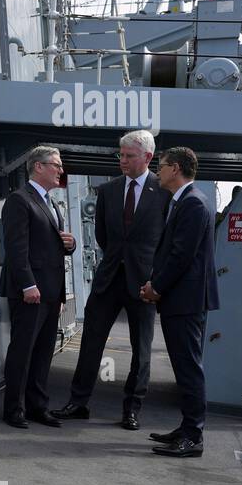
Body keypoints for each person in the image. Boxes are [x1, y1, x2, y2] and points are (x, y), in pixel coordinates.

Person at [53, 130, 168, 430]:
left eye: (129, 156)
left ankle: (131, 409)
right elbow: (102, 236)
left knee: (141, 352)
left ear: (147, 157)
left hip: (144, 284)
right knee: (91, 343)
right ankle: (78, 402)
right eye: (121, 155)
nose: (123, 161)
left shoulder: (164, 193)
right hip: (108, 280)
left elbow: (167, 242)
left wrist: (155, 278)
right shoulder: (108, 191)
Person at [139, 147, 219, 457]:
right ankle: (186, 428)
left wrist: (156, 287)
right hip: (180, 299)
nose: (158, 171)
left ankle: (194, 437)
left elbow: (181, 255)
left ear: (175, 169)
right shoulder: (186, 202)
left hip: (185, 300)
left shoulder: (193, 204)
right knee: (184, 366)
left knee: (189, 368)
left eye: (161, 166)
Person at [0, 146, 77, 429]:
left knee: (44, 352)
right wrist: (28, 285)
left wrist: (71, 244)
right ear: (38, 167)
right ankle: (14, 409)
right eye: (56, 165)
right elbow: (17, 249)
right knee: (23, 350)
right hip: (30, 292)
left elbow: (51, 246)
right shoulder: (19, 200)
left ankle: (37, 407)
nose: (60, 170)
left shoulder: (52, 203)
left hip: (51, 291)